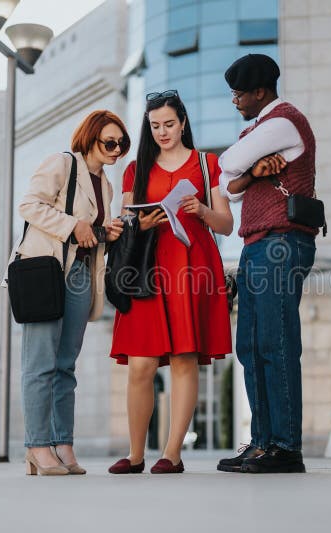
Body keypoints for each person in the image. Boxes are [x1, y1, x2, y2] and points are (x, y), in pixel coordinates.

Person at [109, 90, 234, 474]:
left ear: (183, 123)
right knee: (140, 366)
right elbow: (125, 222)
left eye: (169, 124)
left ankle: (172, 454)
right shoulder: (136, 169)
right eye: (155, 126)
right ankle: (134, 455)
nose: (162, 132)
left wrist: (202, 210)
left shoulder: (206, 162)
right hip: (147, 269)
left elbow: (227, 225)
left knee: (184, 359)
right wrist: (139, 223)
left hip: (191, 265)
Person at [9, 110, 129, 476]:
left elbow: (89, 234)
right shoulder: (63, 164)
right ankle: (36, 446)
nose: (116, 149)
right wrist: (72, 225)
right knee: (40, 364)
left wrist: (106, 234)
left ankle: (63, 445)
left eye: (122, 144)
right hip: (47, 272)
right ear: (91, 137)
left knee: (65, 366)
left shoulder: (106, 184)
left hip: (81, 276)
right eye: (110, 142)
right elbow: (29, 205)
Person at [217, 54, 318, 474]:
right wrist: (255, 169)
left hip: (282, 242)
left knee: (276, 344)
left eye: (239, 94)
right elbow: (229, 187)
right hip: (258, 244)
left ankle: (285, 447)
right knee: (252, 347)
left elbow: (224, 165)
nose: (236, 101)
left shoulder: (283, 121)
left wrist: (246, 167)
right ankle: (262, 443)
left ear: (260, 91)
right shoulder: (258, 131)